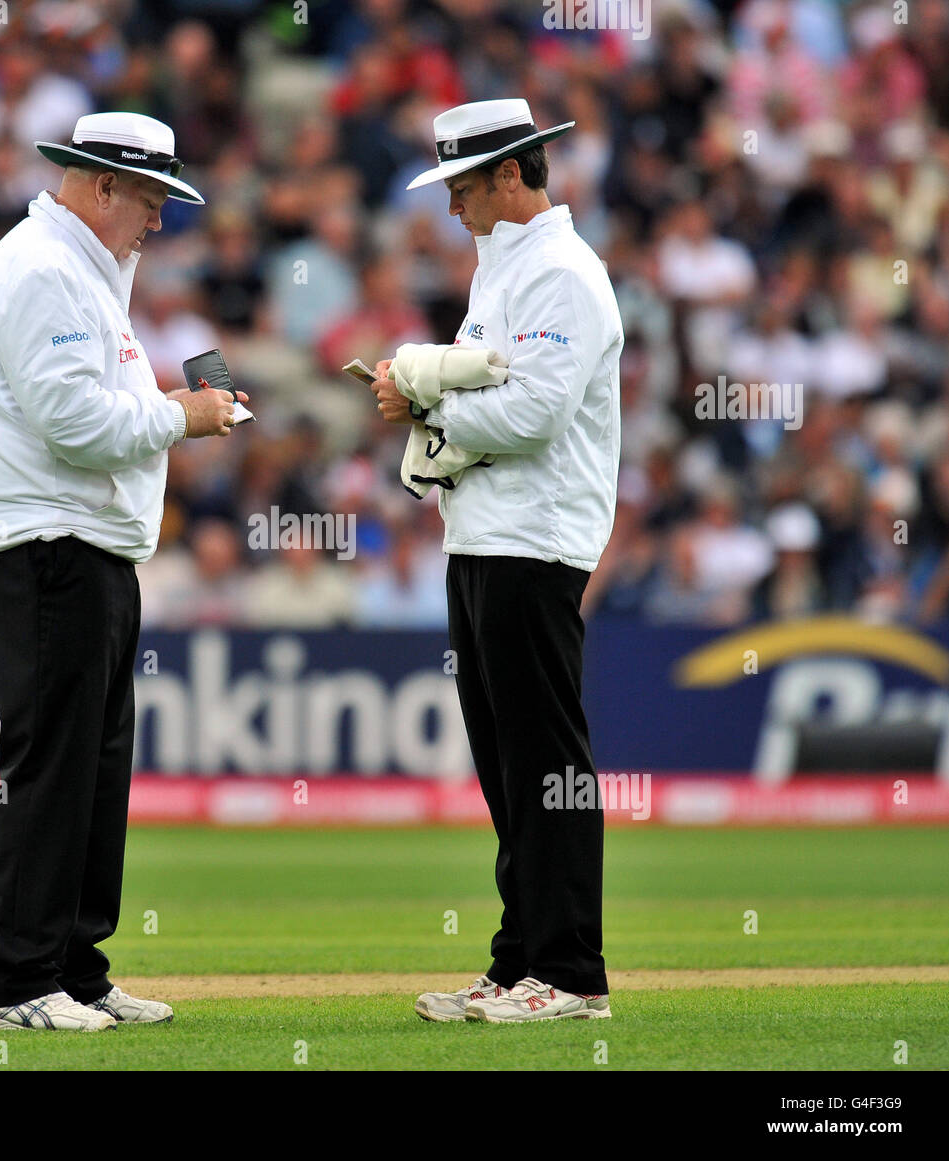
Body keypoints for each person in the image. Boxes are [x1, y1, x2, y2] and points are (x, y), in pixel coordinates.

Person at [0, 112, 246, 1032]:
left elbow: (94, 408)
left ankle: (75, 967)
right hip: (46, 543)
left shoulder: (83, 272)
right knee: (53, 759)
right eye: (153, 198)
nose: (159, 220)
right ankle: (15, 983)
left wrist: (173, 408)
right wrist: (182, 421)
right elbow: (72, 425)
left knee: (93, 763)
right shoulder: (43, 269)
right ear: (105, 186)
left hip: (91, 544)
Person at [369, 99, 623, 1024]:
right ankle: (521, 960)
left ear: (512, 173)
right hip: (483, 533)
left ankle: (571, 972)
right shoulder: (506, 268)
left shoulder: (562, 272)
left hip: (535, 536)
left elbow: (534, 415)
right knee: (507, 758)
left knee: (545, 756)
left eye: (462, 186)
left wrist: (427, 414)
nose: (451, 207)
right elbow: (497, 396)